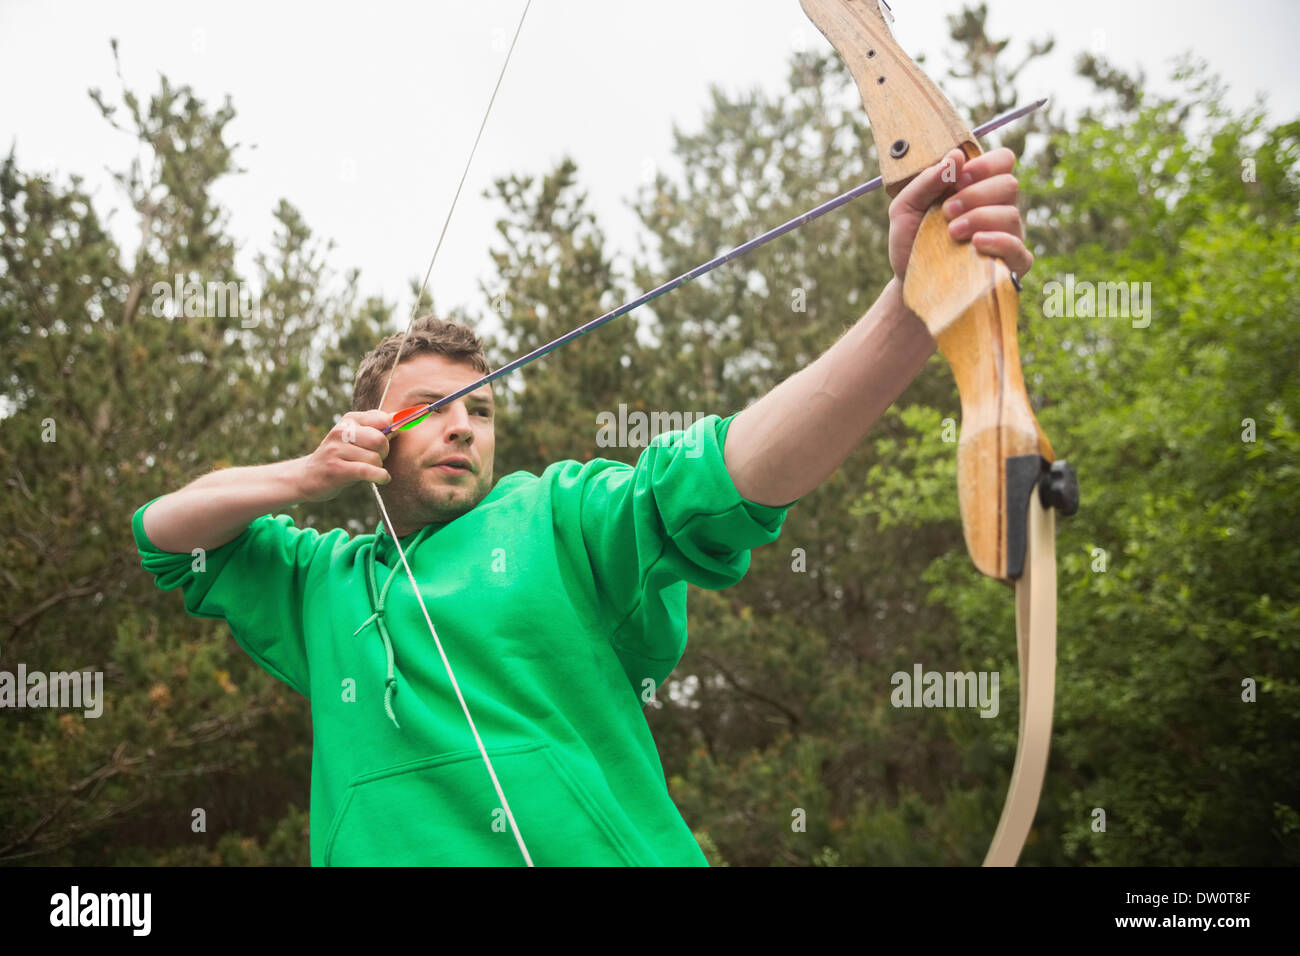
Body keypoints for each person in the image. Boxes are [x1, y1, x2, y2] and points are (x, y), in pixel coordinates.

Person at [133, 148, 1034, 866]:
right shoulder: (317, 583)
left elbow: (725, 474)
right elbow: (164, 532)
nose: (462, 427)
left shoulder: (552, 517)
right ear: (370, 431)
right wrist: (304, 477)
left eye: (479, 410)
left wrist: (917, 308)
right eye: (427, 410)